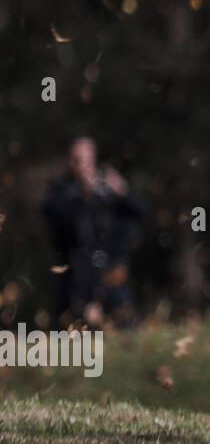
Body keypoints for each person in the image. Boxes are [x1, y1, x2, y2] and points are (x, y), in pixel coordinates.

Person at [42, 136, 147, 324]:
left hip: (109, 273)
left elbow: (140, 213)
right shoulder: (60, 190)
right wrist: (83, 195)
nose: (82, 165)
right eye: (77, 159)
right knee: (69, 329)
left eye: (86, 159)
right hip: (74, 276)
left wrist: (124, 192)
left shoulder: (106, 189)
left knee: (124, 323)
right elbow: (55, 218)